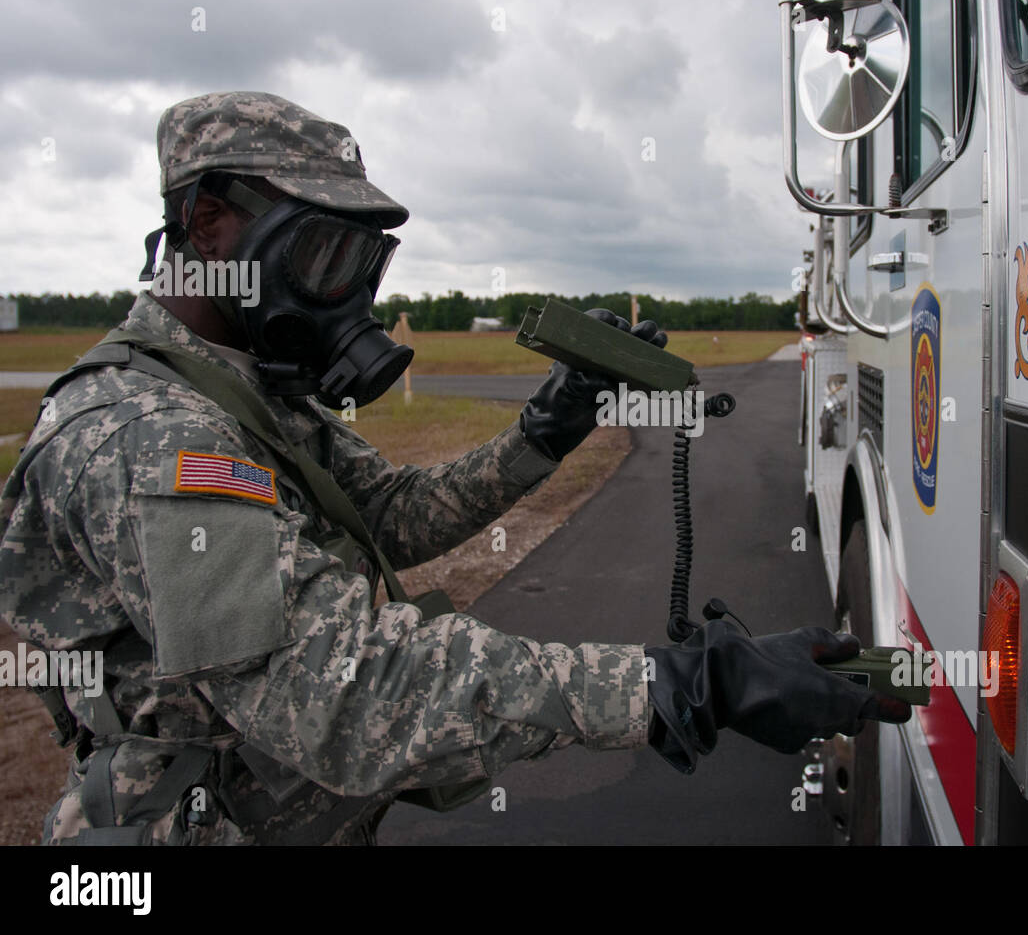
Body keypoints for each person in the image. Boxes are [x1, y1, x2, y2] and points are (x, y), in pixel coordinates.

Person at [0, 92, 908, 845]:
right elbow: (343, 689)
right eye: (322, 254)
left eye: (364, 262)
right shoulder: (142, 434)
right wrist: (683, 687)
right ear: (205, 224)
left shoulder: (248, 392)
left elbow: (389, 515)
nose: (349, 295)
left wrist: (543, 435)